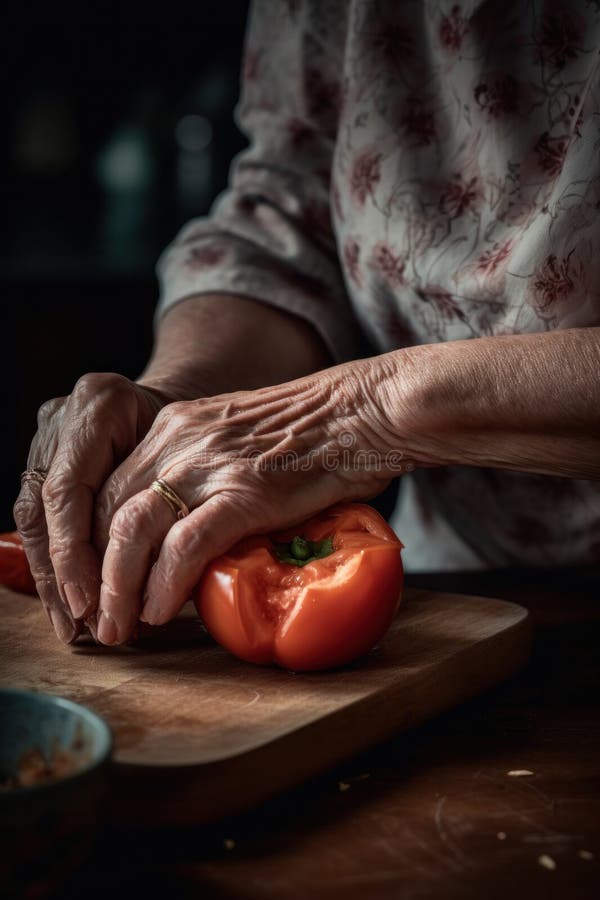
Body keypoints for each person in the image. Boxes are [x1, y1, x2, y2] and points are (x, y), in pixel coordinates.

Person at [15, 0, 600, 646]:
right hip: (459, 599)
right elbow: (297, 209)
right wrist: (175, 402)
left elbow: (351, 413)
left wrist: (359, 414)